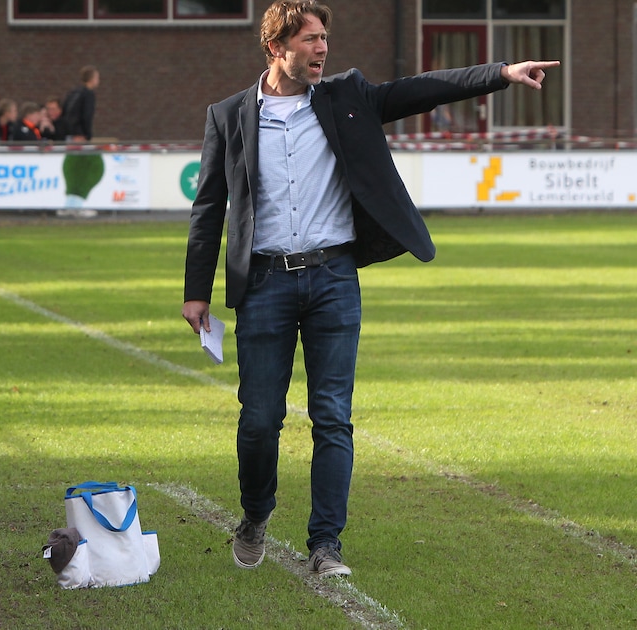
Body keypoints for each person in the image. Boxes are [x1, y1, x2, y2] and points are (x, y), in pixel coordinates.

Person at [181, 0, 558, 579]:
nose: (323, 48)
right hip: (263, 285)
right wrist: (196, 290)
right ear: (276, 47)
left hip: (334, 278)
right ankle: (255, 514)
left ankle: (326, 545)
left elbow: (422, 89)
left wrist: (500, 74)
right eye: (310, 39)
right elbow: (208, 207)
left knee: (332, 415)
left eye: (325, 37)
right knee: (259, 419)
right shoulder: (229, 115)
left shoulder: (346, 96)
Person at [61, 66, 99, 142]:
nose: (98, 81)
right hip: (79, 135)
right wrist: (88, 134)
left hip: (68, 133)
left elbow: (64, 110)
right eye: (97, 78)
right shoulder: (88, 94)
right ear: (92, 79)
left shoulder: (74, 92)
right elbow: (87, 115)